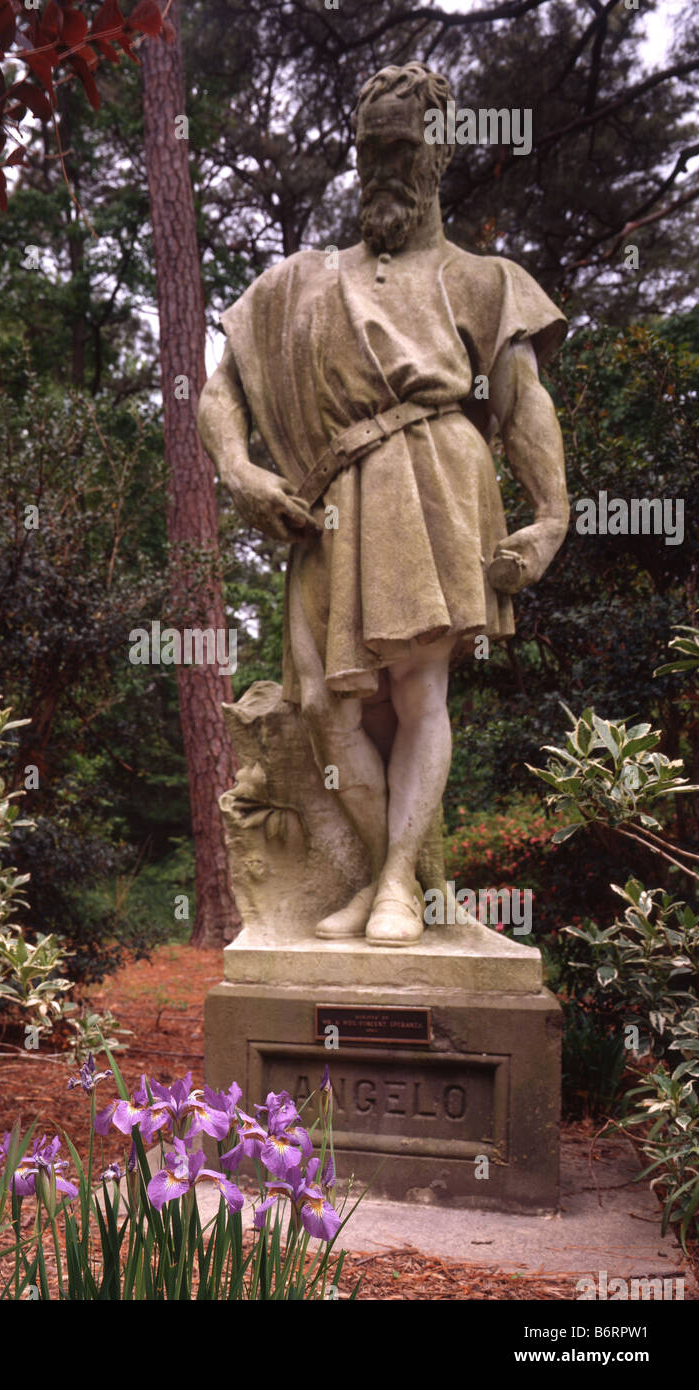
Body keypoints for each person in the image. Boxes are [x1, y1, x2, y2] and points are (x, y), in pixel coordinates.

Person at [198, 62, 569, 945]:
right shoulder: (303, 281)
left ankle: (400, 883)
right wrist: (240, 473)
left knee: (417, 688)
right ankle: (378, 872)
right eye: (369, 151)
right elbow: (221, 391)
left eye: (400, 149)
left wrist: (552, 517)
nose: (381, 169)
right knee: (328, 710)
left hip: (433, 478)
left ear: (439, 151)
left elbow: (521, 405)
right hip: (330, 502)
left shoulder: (482, 278)